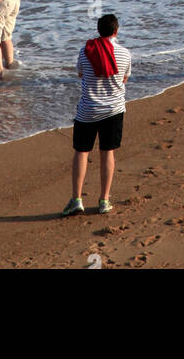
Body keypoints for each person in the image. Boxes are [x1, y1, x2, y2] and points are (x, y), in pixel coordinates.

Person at [63, 12, 131, 217]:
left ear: (99, 31)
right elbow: (124, 80)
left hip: (88, 111)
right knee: (107, 152)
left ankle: (76, 199)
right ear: (116, 31)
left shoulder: (86, 52)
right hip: (114, 110)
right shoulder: (125, 53)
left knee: (81, 152)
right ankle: (104, 200)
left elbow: (81, 74)